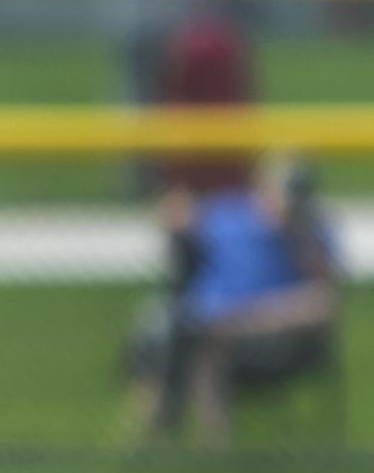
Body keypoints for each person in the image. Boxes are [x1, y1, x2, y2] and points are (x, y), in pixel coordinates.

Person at [124, 156, 339, 447]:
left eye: (290, 192)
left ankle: (211, 451)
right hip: (203, 326)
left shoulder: (308, 236)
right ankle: (144, 441)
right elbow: (175, 215)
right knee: (163, 330)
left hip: (271, 343)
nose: (278, 200)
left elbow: (321, 306)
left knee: (206, 346)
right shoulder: (231, 217)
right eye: (273, 188)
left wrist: (248, 320)